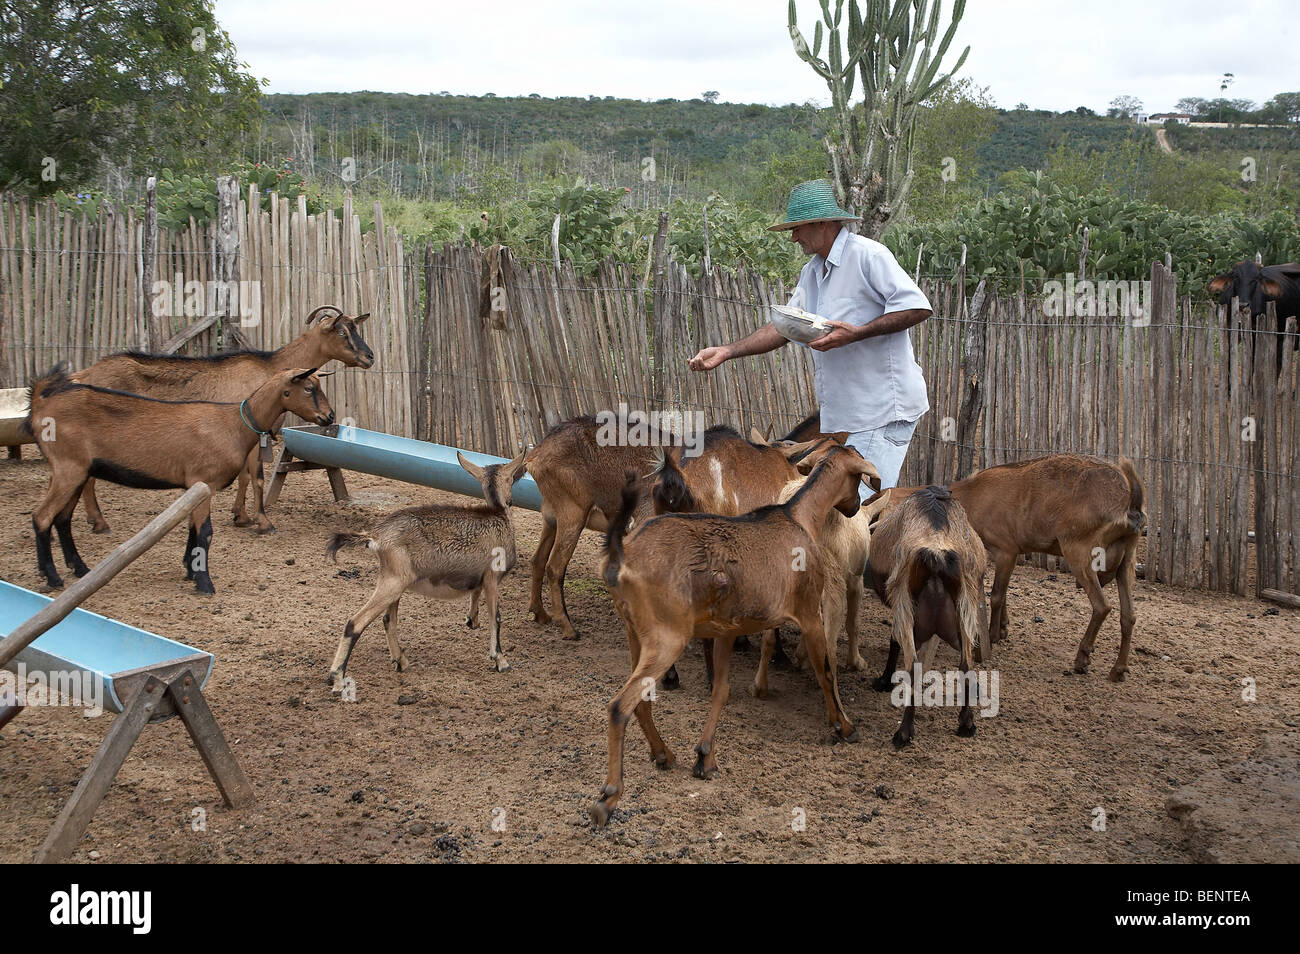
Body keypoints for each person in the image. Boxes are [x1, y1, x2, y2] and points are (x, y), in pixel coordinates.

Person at [688, 179, 931, 493]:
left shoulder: (869, 257)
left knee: (856, 512)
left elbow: (918, 307)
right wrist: (727, 351)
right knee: (844, 512)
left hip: (883, 411)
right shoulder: (813, 272)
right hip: (850, 417)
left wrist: (858, 333)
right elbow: (783, 327)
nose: (793, 238)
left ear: (822, 223)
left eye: (798, 228)